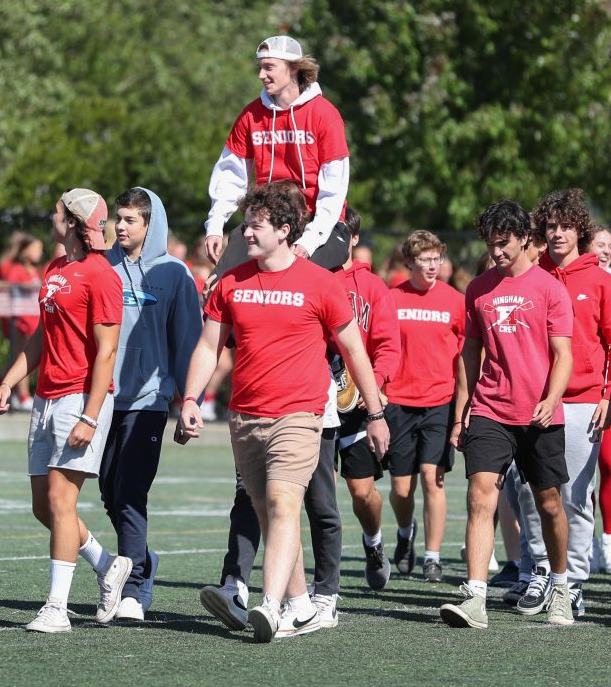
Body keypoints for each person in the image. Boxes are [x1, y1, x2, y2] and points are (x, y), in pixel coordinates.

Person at [177, 181, 390, 643]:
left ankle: (269, 606)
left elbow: (354, 351)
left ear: (285, 230)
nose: (246, 235)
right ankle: (300, 605)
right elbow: (209, 346)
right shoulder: (231, 284)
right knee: (269, 511)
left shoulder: (321, 283)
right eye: (245, 226)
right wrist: (191, 399)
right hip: (245, 416)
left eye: (254, 227)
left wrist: (375, 414)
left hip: (301, 412)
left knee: (283, 501)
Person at [0, 189, 131, 633]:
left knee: (60, 500)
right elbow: (40, 337)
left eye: (58, 210)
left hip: (80, 398)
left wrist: (90, 415)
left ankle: (57, 607)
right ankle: (107, 565)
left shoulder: (102, 274)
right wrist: (10, 381)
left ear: (72, 221)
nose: (52, 215)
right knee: (43, 507)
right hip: (45, 397)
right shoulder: (54, 269)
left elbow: (107, 350)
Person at [439, 200, 576, 631]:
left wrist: (553, 398)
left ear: (523, 240)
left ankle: (561, 585)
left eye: (503, 244)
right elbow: (471, 351)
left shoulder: (551, 288)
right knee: (481, 494)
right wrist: (462, 411)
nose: (496, 252)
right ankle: (475, 597)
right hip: (489, 409)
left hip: (538, 415)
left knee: (550, 504)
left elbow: (564, 354)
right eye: (490, 244)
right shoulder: (477, 288)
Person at [511, 190, 611, 618]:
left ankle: (573, 581)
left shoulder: (600, 282)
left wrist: (607, 393)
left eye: (565, 226)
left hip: (581, 401)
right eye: (550, 227)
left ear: (581, 230)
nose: (557, 234)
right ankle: (541, 570)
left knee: (576, 495)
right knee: (530, 491)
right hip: (531, 399)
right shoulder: (529, 275)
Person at [99, 187, 202, 622]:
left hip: (150, 401)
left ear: (150, 224)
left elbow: (188, 344)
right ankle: (143, 558)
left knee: (130, 491)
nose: (120, 227)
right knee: (107, 488)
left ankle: (136, 588)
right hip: (101, 399)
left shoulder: (175, 274)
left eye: (129, 220)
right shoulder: (101, 267)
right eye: (117, 219)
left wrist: (187, 400)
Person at [203, 35, 351, 274]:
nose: (261, 75)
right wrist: (215, 225)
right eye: (260, 67)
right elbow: (230, 175)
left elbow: (334, 190)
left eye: (269, 67)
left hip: (320, 224)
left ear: (293, 68)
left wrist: (309, 241)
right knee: (220, 284)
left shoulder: (325, 114)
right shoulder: (251, 115)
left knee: (291, 279)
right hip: (266, 221)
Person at [385, 229, 466, 584]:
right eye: (425, 260)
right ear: (409, 262)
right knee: (402, 489)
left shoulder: (454, 300)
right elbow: (378, 346)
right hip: (399, 402)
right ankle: (406, 534)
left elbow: (465, 357)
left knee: (434, 481)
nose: (432, 265)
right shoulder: (391, 298)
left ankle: (433, 557)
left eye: (437, 258)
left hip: (439, 403)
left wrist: (462, 408)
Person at [333, 212, 402, 590]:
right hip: (316, 401)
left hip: (360, 405)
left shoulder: (373, 286)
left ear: (354, 238)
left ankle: (374, 543)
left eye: (341, 234)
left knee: (361, 492)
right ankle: (322, 580)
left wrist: (370, 387)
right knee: (319, 493)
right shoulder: (312, 277)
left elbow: (389, 346)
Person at [0, 231, 46, 410]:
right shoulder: (16, 270)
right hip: (20, 321)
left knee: (30, 359)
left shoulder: (37, 271)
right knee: (21, 357)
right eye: (36, 249)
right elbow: (10, 288)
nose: (39, 252)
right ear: (25, 251)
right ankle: (22, 395)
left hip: (35, 321)